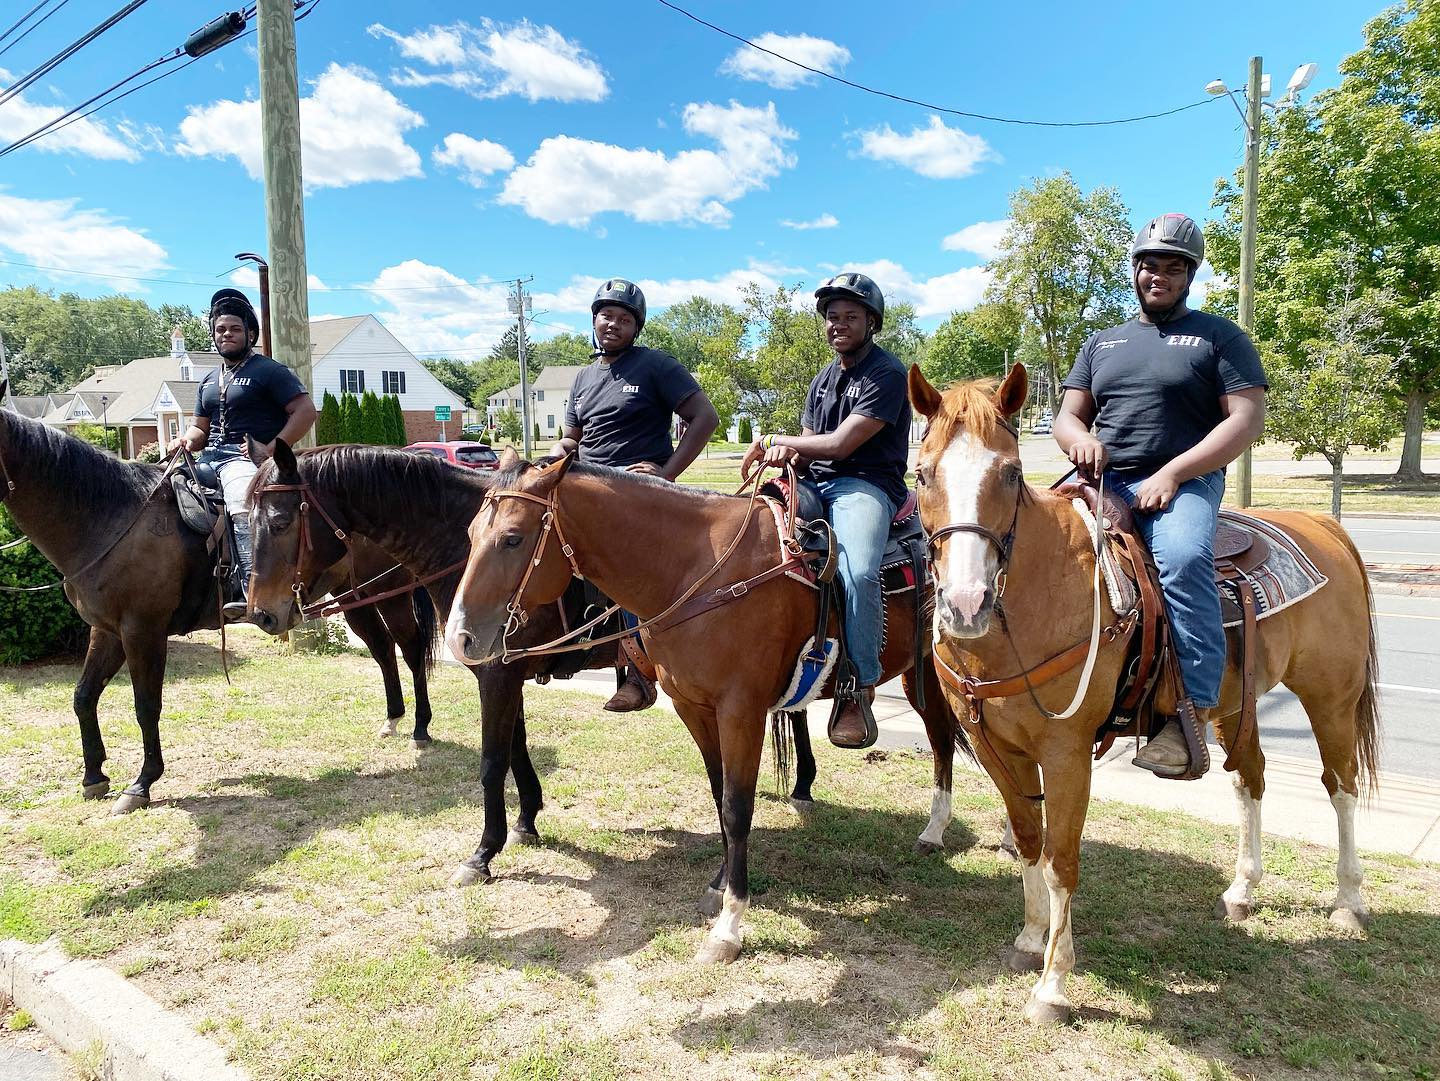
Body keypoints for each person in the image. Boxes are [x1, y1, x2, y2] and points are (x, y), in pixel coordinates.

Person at [1054, 213, 1268, 778]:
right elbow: (1068, 417)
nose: (1159, 275)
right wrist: (1081, 442)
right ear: (1135, 270)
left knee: (1182, 560)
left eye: (1173, 267)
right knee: (1029, 545)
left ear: (1189, 276)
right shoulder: (1102, 342)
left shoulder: (1219, 337)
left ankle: (1191, 714)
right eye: (1150, 264)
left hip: (1185, 482)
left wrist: (1173, 473)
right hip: (1104, 479)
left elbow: (1244, 421)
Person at [741, 272, 911, 749]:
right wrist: (784, 456)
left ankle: (858, 686)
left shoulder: (887, 374)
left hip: (866, 485)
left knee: (856, 571)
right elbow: (812, 446)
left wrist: (778, 440)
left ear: (871, 323)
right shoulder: (823, 379)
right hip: (817, 481)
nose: (839, 325)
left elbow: (839, 445)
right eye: (832, 318)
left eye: (850, 317)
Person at [550, 278, 720, 711]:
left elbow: (704, 417)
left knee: (627, 572)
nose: (614, 324)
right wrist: (555, 454)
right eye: (607, 315)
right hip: (588, 491)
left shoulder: (656, 366)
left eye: (624, 319)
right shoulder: (584, 377)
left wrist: (665, 474)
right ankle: (553, 642)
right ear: (593, 319)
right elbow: (573, 436)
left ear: (636, 328)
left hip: (639, 498)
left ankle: (638, 675)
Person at [168, 288, 318, 622]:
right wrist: (184, 440)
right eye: (221, 330)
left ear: (250, 333)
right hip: (207, 460)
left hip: (245, 461)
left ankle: (249, 588)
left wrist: (273, 448)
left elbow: (305, 411)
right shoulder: (208, 379)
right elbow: (200, 429)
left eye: (234, 329)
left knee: (239, 498)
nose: (227, 335)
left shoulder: (269, 371)